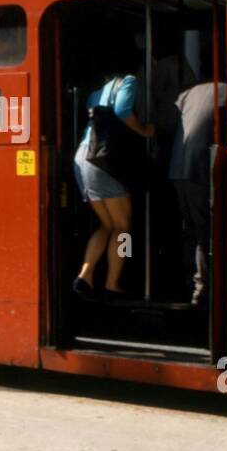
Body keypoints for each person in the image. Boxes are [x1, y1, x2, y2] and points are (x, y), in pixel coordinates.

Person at [73, 48, 155, 300]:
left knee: (107, 225)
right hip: (107, 162)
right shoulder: (128, 81)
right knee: (124, 227)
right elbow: (121, 110)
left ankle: (85, 275)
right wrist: (144, 131)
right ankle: (114, 282)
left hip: (83, 159)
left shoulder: (97, 91)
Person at [168, 78, 227, 307]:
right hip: (199, 168)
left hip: (177, 167)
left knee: (190, 229)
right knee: (204, 232)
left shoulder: (189, 92)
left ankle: (186, 284)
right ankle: (201, 290)